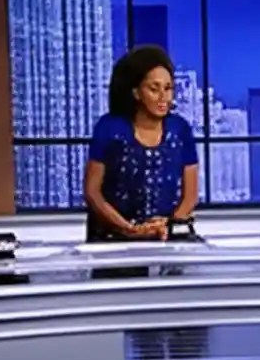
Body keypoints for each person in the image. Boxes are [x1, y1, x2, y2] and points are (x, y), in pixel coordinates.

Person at [84, 45, 199, 242]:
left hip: (168, 235)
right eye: (154, 89)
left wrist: (168, 225)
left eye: (168, 88)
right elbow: (92, 192)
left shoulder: (180, 130)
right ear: (136, 93)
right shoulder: (110, 128)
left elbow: (191, 195)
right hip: (115, 238)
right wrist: (130, 229)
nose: (163, 97)